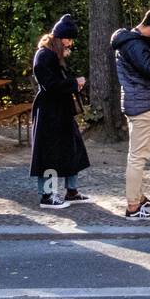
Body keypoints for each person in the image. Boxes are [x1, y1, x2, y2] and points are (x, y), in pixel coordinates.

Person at [112, 9, 150, 219]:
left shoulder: (137, 42)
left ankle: (138, 197)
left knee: (140, 156)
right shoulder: (133, 45)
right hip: (141, 106)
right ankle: (133, 207)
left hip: (143, 103)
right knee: (137, 158)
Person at [30, 14, 91, 208]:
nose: (71, 43)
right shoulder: (44, 55)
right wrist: (74, 82)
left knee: (72, 148)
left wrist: (74, 84)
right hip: (49, 112)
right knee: (48, 153)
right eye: (69, 39)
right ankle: (47, 196)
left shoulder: (53, 55)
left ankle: (71, 191)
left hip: (61, 111)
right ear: (61, 37)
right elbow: (50, 84)